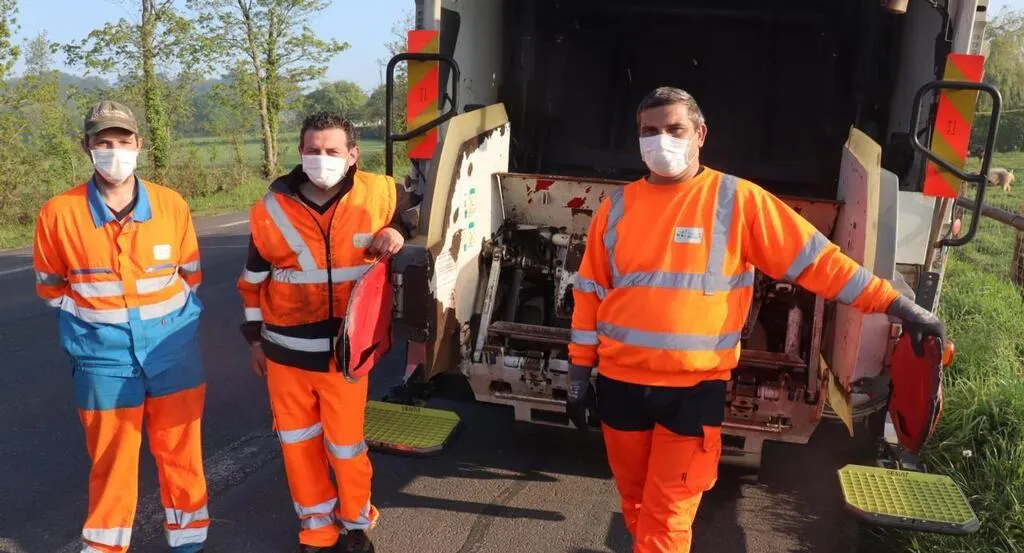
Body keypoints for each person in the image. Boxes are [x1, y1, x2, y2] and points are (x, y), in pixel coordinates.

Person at [566, 87, 945, 553]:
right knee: (636, 504)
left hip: (692, 393)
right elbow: (589, 295)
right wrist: (579, 375)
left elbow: (818, 262)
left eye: (674, 129)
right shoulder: (617, 208)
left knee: (667, 518)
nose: (660, 140)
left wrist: (895, 303)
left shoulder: (736, 201)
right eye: (650, 131)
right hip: (621, 387)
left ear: (700, 134)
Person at [33, 100, 210, 553]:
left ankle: (189, 543)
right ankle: (107, 547)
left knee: (181, 456)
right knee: (111, 462)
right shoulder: (58, 214)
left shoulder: (171, 205)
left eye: (123, 141)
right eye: (103, 142)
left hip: (175, 356)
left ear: (139, 145)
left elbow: (190, 276)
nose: (115, 151)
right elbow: (51, 289)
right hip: (102, 360)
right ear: (86, 147)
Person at [236, 111, 410, 553]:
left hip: (344, 357)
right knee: (298, 446)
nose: (322, 159)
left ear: (353, 155)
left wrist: (398, 229)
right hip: (285, 355)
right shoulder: (270, 208)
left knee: (346, 446)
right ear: (300, 153)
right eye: (313, 150)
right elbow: (252, 282)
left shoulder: (382, 194)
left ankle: (356, 525)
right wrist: (254, 341)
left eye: (332, 151)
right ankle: (316, 528)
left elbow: (417, 210)